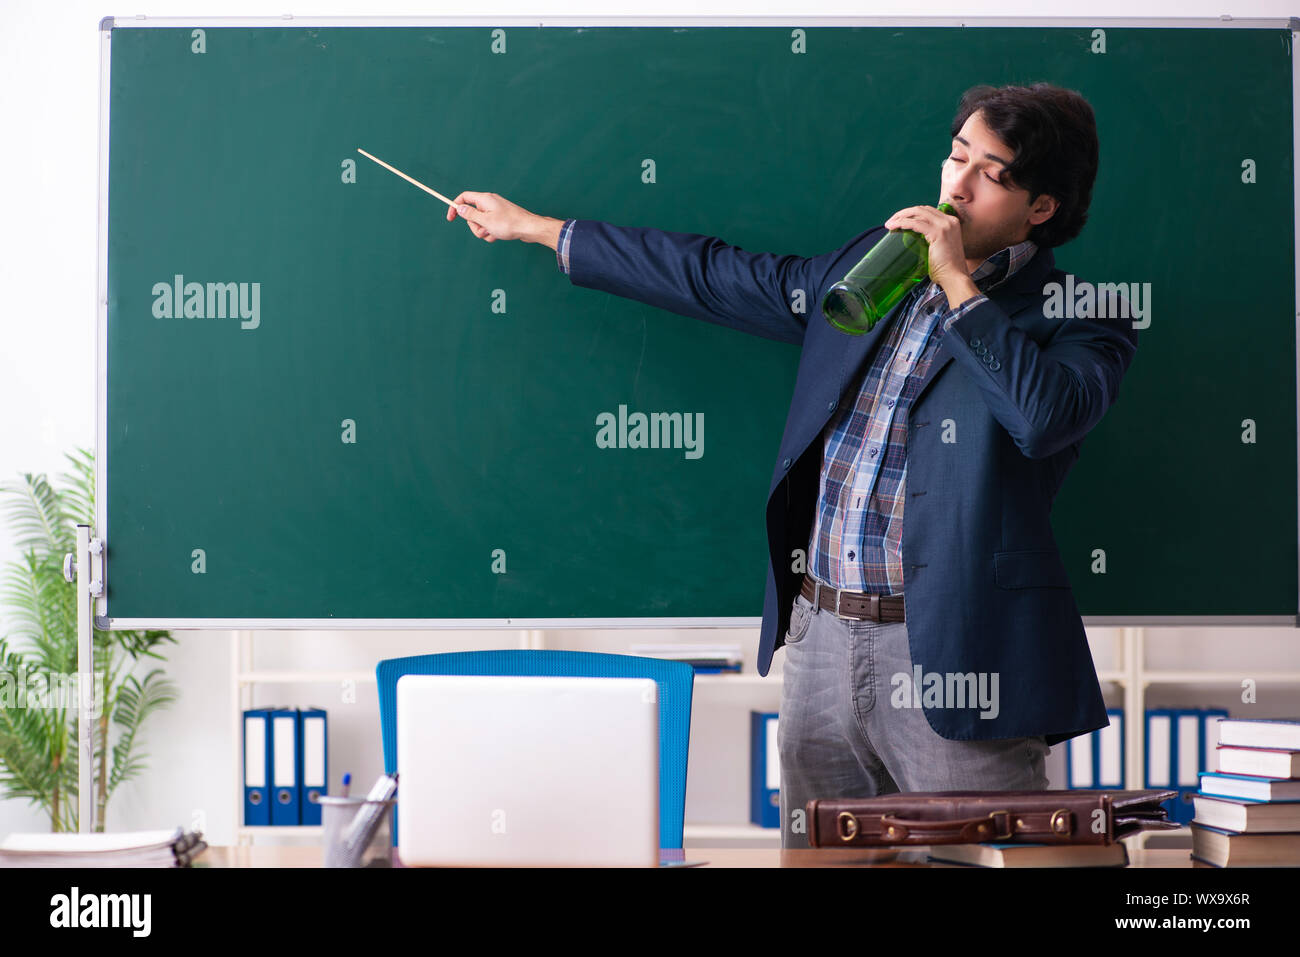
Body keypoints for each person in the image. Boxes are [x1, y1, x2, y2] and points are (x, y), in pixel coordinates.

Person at [444, 82, 1137, 848]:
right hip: (819, 641)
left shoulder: (1086, 311)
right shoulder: (872, 272)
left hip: (955, 655)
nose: (956, 186)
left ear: (1041, 207)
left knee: (991, 864)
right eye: (955, 157)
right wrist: (543, 231)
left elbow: (1041, 418)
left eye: (990, 174)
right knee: (820, 864)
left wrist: (958, 285)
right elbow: (715, 275)